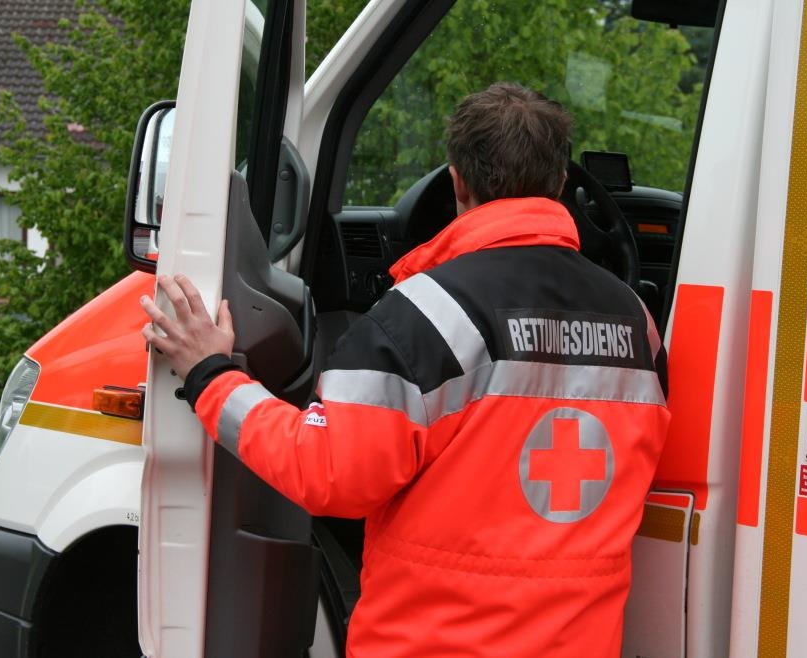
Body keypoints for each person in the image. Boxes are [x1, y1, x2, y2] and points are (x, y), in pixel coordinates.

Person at [140, 81, 670, 657]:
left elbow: (328, 472)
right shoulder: (636, 321)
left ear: (456, 180)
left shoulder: (423, 315)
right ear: (561, 184)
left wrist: (211, 376)